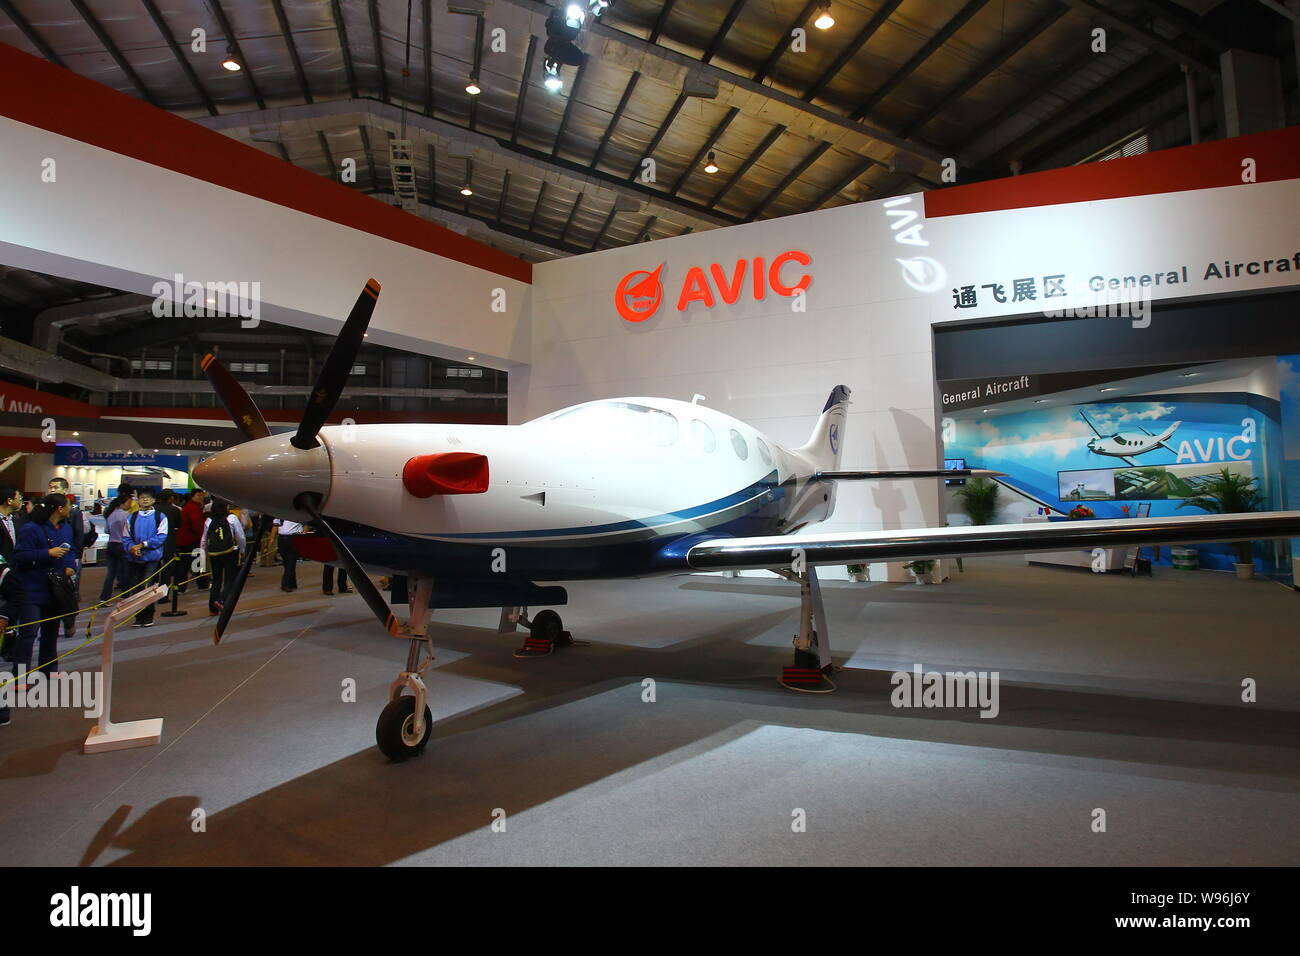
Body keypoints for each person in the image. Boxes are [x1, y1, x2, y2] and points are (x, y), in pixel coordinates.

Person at [11, 493, 78, 678]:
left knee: (51, 631)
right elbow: (20, 556)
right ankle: (19, 674)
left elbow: (70, 551)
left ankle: (48, 668)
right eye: (68, 505)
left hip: (56, 588)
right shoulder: (31, 529)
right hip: (31, 588)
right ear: (60, 509)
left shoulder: (66, 528)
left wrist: (70, 566)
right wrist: (47, 553)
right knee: (28, 632)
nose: (71, 508)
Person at [121, 491, 169, 628]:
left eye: (148, 497)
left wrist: (143, 545)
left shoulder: (160, 516)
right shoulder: (132, 517)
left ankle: (148, 615)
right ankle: (138, 616)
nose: (145, 500)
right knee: (134, 587)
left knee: (147, 586)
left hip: (152, 557)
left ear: (154, 500)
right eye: (142, 498)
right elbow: (126, 536)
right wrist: (132, 547)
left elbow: (161, 536)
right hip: (134, 557)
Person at [200, 500, 245, 615]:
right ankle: (222, 600)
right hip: (230, 552)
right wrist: (243, 550)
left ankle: (212, 608)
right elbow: (240, 536)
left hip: (214, 554)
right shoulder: (231, 518)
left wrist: (203, 553)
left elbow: (204, 539)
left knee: (216, 580)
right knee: (230, 579)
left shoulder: (209, 520)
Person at [98, 492, 134, 602]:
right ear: (122, 503)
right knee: (126, 571)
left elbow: (106, 530)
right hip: (123, 545)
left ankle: (104, 597)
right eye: (128, 502)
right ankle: (126, 594)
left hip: (111, 544)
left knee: (111, 573)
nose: (130, 504)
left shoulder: (110, 514)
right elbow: (131, 531)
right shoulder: (127, 515)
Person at [175, 490, 209, 591]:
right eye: (198, 495)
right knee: (196, 564)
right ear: (192, 496)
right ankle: (202, 585)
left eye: (202, 495)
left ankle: (181, 587)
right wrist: (203, 538)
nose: (201, 497)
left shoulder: (191, 507)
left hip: (186, 540)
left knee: (185, 565)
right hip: (192, 540)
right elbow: (197, 525)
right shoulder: (193, 508)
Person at [155, 490, 183, 602]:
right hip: (169, 541)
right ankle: (163, 595)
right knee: (167, 569)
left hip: (154, 541)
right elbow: (178, 524)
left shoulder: (153, 509)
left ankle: (149, 594)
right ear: (170, 498)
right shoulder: (174, 510)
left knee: (153, 568)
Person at [274, 517, 303, 592]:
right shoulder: (279, 513)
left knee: (291, 562)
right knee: (286, 562)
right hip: (281, 538)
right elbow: (275, 525)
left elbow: (306, 525)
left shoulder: (297, 514)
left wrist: (303, 536)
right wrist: (271, 538)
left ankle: (286, 584)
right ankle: (292, 582)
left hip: (294, 538)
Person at [0, 484, 24, 563]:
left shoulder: (16, 520)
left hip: (14, 567)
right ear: (9, 501)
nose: (21, 501)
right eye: (19, 498)